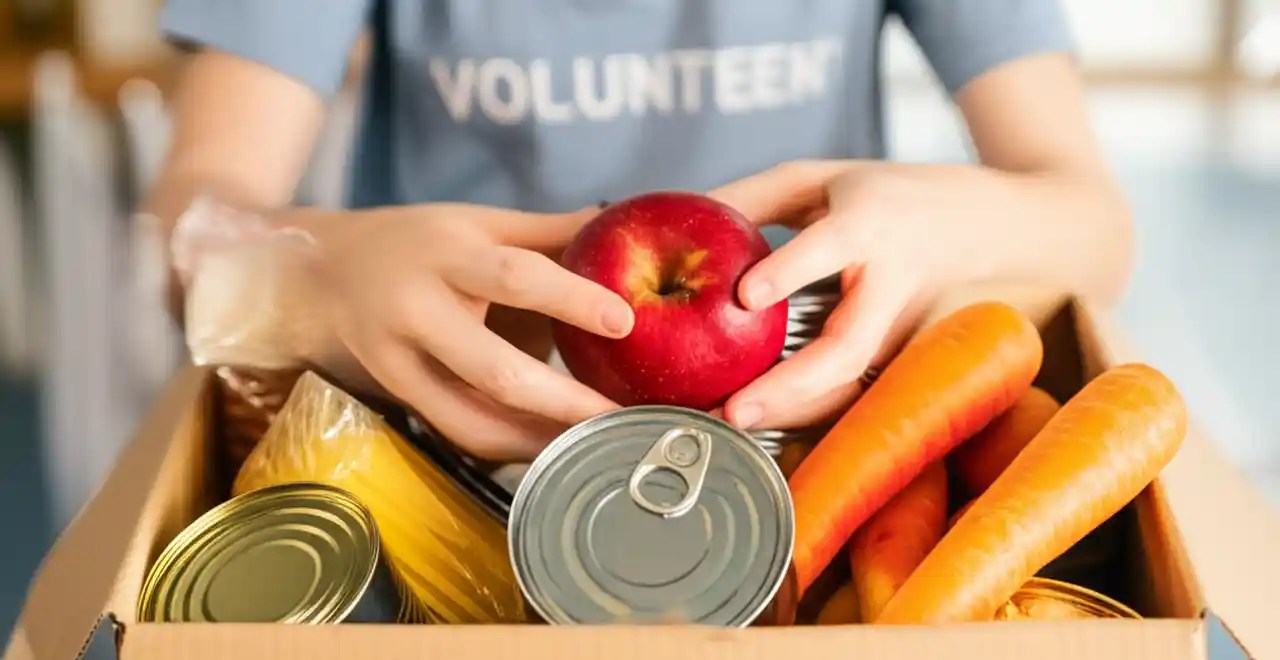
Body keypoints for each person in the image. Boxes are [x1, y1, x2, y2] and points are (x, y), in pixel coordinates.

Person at [149, 0, 1132, 460]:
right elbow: (178, 237)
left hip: (809, 444)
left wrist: (954, 222)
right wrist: (318, 273)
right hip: (430, 435)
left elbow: (1096, 228)